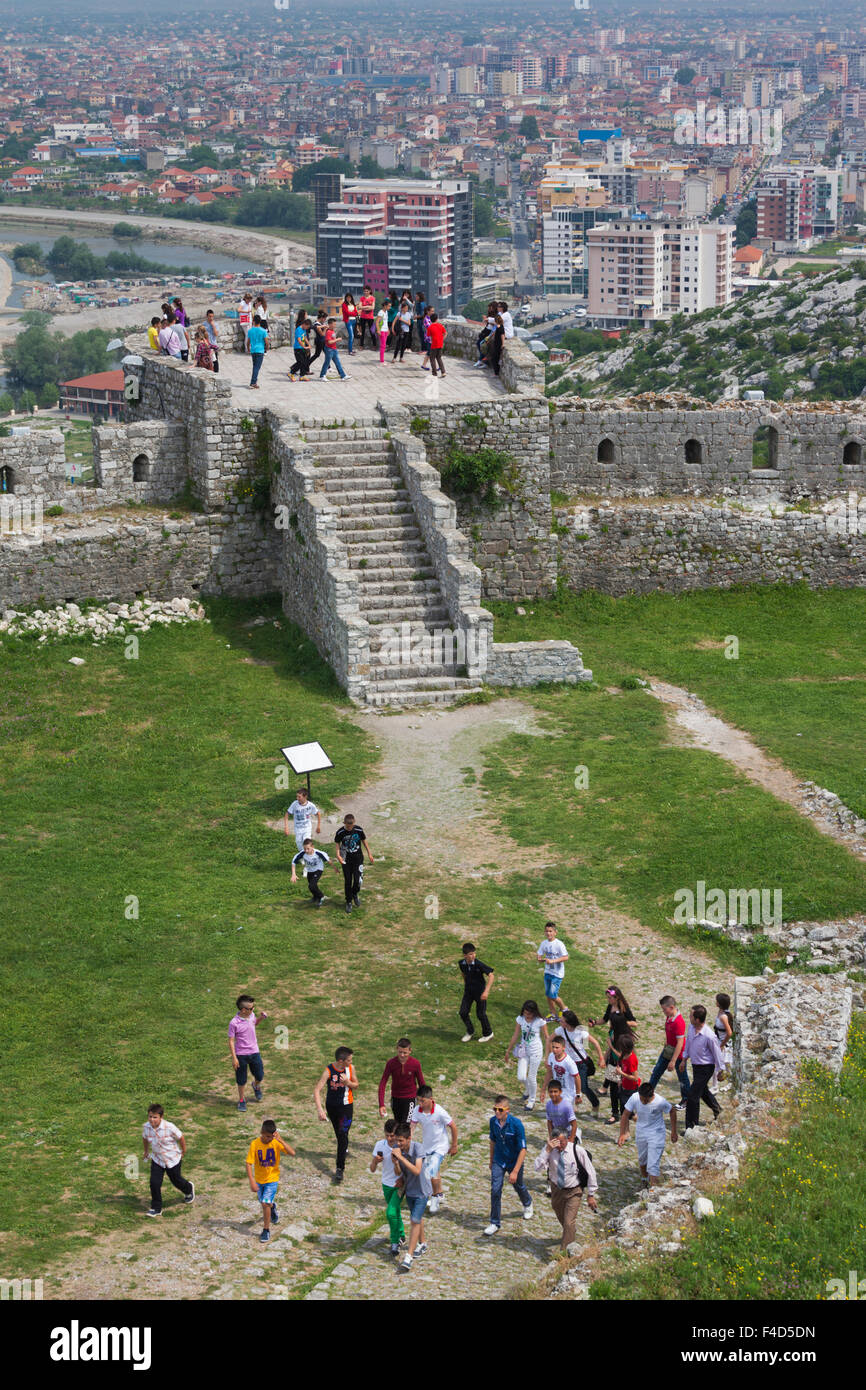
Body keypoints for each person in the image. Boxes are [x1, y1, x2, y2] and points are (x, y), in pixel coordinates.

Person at [534, 1128, 598, 1249]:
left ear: (567, 1139)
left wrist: (591, 1194)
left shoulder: (577, 1151)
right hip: (556, 1189)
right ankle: (570, 1233)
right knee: (562, 1218)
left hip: (574, 1191)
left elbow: (591, 1172)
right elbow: (537, 1168)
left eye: (562, 1143)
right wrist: (547, 1150)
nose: (559, 1147)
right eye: (556, 1143)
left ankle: (566, 1253)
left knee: (569, 1222)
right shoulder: (549, 1150)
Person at [484, 1095, 533, 1234]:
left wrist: (515, 1171)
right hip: (499, 1160)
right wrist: (491, 1159)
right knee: (495, 1189)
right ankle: (494, 1222)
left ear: (507, 1110)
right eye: (495, 1109)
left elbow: (523, 1149)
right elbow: (492, 1141)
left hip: (514, 1160)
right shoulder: (493, 1122)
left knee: (518, 1185)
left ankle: (527, 1202)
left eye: (500, 1109)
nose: (497, 1112)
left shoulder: (517, 1124)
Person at [619, 1081, 678, 1189]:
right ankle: (644, 1179)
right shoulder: (635, 1097)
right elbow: (625, 1114)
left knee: (652, 1164)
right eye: (642, 1099)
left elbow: (672, 1111)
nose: (644, 1101)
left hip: (657, 1133)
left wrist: (674, 1131)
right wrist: (622, 1133)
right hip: (641, 1132)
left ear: (652, 1094)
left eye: (646, 1099)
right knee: (642, 1160)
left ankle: (653, 1191)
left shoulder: (660, 1101)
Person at [410, 1084, 457, 1215]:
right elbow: (412, 1127)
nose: (420, 1103)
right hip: (427, 1146)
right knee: (431, 1171)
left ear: (431, 1099)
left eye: (422, 1101)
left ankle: (435, 1198)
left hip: (440, 1146)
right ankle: (440, 1194)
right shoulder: (416, 1111)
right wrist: (408, 1143)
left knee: (432, 1170)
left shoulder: (440, 1111)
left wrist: (454, 1145)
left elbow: (453, 1126)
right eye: (418, 1100)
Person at [246, 1119, 295, 1243]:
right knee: (264, 1202)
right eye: (267, 1136)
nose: (269, 1139)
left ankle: (266, 1230)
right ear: (261, 1132)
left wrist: (281, 1140)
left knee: (264, 1204)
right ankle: (272, 1208)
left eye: (271, 1137)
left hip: (272, 1179)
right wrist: (251, 1181)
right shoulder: (255, 1144)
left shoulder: (276, 1142)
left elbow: (292, 1153)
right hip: (259, 1180)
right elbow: (248, 1163)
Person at [314, 1045, 358, 1183]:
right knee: (340, 1135)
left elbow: (356, 1085)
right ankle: (343, 1149)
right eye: (349, 1060)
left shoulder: (351, 1069)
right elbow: (317, 1090)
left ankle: (340, 1169)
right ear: (340, 1061)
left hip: (346, 1106)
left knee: (343, 1134)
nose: (351, 1062)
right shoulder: (329, 1071)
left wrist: (348, 1082)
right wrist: (320, 1110)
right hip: (332, 1107)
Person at [142, 1103, 194, 1217]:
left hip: (172, 1159)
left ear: (161, 1116)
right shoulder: (146, 1127)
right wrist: (146, 1151)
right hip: (157, 1159)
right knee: (154, 1183)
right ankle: (156, 1208)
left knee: (176, 1180)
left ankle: (189, 1189)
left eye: (155, 1117)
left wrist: (183, 1151)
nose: (152, 1119)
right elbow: (145, 1138)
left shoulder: (169, 1127)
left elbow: (181, 1137)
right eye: (150, 1116)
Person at [392, 1122, 431, 1271]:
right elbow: (398, 1172)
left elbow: (417, 1170)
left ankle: (408, 1257)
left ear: (409, 1139)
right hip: (410, 1191)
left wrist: (401, 1158)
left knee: (414, 1219)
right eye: (397, 1140)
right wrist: (396, 1163)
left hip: (422, 1191)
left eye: (401, 1140)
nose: (398, 1143)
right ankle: (423, 1243)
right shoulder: (397, 1150)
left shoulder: (418, 1148)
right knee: (417, 1217)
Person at [592, 985, 637, 1111]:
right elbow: (605, 1019)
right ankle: (609, 1088)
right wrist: (595, 1023)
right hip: (614, 1036)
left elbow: (634, 1022)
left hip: (623, 1039)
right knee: (612, 1063)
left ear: (617, 997)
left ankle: (619, 1090)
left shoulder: (624, 1008)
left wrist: (622, 1023)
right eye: (607, 998)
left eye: (610, 998)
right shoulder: (610, 1007)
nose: (609, 1000)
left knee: (619, 1063)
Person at [555, 1010, 604, 1115]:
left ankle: (595, 1104)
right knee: (568, 1086)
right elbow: (550, 1039)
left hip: (581, 1063)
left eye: (562, 1021)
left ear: (568, 1023)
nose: (560, 1022)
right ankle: (571, 1107)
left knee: (583, 1088)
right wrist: (550, 1056)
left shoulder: (580, 1031)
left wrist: (601, 1057)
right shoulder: (561, 1030)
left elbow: (595, 1043)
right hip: (568, 1063)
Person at [682, 1005, 724, 1130]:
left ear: (698, 1019)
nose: (689, 1017)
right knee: (702, 1091)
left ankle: (692, 1126)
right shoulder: (691, 1028)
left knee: (692, 1095)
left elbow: (717, 1052)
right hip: (696, 1066)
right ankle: (718, 1110)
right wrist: (684, 1059)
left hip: (706, 1068)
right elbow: (688, 1044)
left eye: (691, 1016)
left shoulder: (709, 1035)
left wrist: (721, 1070)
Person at [505, 1000, 549, 1110]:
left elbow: (547, 1038)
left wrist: (548, 1055)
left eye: (529, 1014)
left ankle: (532, 1100)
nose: (526, 1016)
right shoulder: (520, 1019)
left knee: (531, 1077)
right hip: (524, 1050)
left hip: (536, 1051)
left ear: (534, 1012)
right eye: (525, 1013)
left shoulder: (540, 1021)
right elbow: (515, 1035)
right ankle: (528, 1089)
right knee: (521, 1076)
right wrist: (508, 1050)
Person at [647, 995, 690, 1108]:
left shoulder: (679, 1022)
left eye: (664, 1009)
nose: (663, 1012)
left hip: (677, 1054)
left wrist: (673, 1061)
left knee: (682, 1077)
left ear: (671, 1007)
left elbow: (680, 1042)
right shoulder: (669, 1017)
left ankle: (686, 1099)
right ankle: (647, 1094)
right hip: (668, 1050)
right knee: (656, 1071)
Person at [370, 1118, 405, 1254]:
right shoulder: (380, 1145)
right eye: (387, 1135)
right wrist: (375, 1161)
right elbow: (372, 1169)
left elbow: (404, 1170)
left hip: (400, 1185)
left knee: (390, 1213)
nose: (390, 1138)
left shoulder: (402, 1148)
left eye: (393, 1136)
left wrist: (397, 1165)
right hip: (386, 1185)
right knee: (395, 1211)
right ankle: (401, 1234)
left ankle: (394, 1242)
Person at [229, 993, 268, 1112]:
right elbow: (231, 1041)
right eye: (251, 1008)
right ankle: (241, 1100)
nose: (253, 1009)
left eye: (253, 1007)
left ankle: (256, 1085)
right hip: (241, 1055)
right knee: (241, 1080)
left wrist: (261, 1018)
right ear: (243, 1010)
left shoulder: (251, 1016)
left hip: (254, 1052)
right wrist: (234, 1058)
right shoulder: (234, 1023)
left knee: (260, 1075)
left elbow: (253, 1023)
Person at [334, 813, 374, 914]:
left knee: (358, 880)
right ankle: (348, 902)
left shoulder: (359, 830)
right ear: (344, 823)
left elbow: (364, 842)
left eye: (351, 825)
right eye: (347, 825)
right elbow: (337, 844)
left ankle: (355, 894)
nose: (349, 827)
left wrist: (369, 854)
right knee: (348, 881)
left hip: (358, 859)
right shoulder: (340, 832)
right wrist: (338, 855)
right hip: (345, 859)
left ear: (354, 823)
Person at [378, 1038, 425, 1124]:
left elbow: (421, 1083)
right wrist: (381, 1104)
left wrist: (425, 1099)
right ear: (397, 1049)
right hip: (395, 1099)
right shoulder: (391, 1063)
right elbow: (383, 1083)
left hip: (410, 1099)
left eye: (405, 1052)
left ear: (410, 1051)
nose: (402, 1055)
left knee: (405, 1126)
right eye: (400, 1052)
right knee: (398, 1124)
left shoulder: (415, 1064)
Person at [458, 941, 494, 1042]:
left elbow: (491, 975)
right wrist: (466, 983)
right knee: (463, 1012)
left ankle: (488, 1033)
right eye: (470, 954)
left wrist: (486, 991)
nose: (473, 955)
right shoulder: (462, 963)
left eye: (474, 953)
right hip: (468, 992)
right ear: (465, 955)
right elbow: (463, 974)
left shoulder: (479, 964)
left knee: (481, 1014)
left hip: (480, 993)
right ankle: (470, 1031)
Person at [536, 920, 569, 1021]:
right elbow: (539, 954)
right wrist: (540, 958)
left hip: (557, 974)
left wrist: (553, 961)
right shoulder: (544, 943)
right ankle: (553, 1014)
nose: (548, 933)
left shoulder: (559, 944)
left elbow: (566, 957)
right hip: (548, 972)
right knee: (548, 994)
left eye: (550, 931)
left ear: (555, 932)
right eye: (546, 931)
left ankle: (564, 1009)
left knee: (553, 995)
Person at [290, 838, 331, 907]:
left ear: (312, 847)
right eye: (305, 849)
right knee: (311, 886)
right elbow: (293, 862)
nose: (306, 850)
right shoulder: (302, 853)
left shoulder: (317, 853)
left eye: (308, 849)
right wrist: (293, 874)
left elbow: (328, 859)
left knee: (312, 885)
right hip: (310, 870)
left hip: (318, 869)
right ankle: (315, 897)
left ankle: (321, 897)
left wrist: (335, 868)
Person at [544, 1034, 581, 1108]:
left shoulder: (569, 1062)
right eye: (553, 1047)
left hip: (568, 1092)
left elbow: (577, 1078)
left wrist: (578, 1095)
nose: (554, 1049)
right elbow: (549, 1072)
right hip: (557, 1090)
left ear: (563, 1048)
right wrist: (543, 1089)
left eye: (557, 1047)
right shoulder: (551, 1056)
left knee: (562, 1111)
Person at [613, 1033, 640, 1125]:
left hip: (631, 1089)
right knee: (624, 1112)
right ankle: (625, 1133)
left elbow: (635, 1078)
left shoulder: (631, 1060)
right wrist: (621, 1079)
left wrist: (621, 1073)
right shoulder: (624, 1055)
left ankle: (644, 1123)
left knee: (628, 1113)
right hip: (624, 1087)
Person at [284, 787, 321, 853]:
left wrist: (318, 826)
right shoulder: (294, 804)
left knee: (306, 842)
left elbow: (318, 814)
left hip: (307, 828)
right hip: (298, 829)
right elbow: (287, 814)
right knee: (299, 844)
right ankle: (302, 856)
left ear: (305, 796)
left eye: (299, 797)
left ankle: (311, 855)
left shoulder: (310, 805)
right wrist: (286, 828)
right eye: (297, 796)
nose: (297, 798)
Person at [544, 1078, 578, 1143]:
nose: (553, 1094)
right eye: (551, 1092)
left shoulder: (566, 1105)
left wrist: (571, 1140)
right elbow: (549, 1122)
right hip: (557, 1135)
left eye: (555, 1091)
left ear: (560, 1092)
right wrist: (551, 1137)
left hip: (568, 1135)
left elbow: (574, 1124)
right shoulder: (548, 1105)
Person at [714, 992, 734, 1081]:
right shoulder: (721, 1012)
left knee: (722, 1064)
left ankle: (716, 1085)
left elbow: (729, 1033)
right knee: (724, 1064)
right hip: (719, 1040)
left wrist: (722, 1044)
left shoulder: (723, 1017)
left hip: (723, 1043)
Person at [247, 313, 267, 388]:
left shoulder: (250, 331)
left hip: (253, 350)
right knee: (256, 367)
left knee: (255, 366)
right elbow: (266, 341)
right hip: (260, 350)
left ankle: (254, 381)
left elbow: (248, 342)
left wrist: (248, 348)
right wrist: (266, 348)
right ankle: (253, 382)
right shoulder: (263, 331)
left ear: (254, 321)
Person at [290, 311, 311, 381]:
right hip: (298, 348)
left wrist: (308, 344)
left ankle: (302, 376)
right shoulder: (299, 329)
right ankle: (291, 373)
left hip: (302, 348)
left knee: (304, 362)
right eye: (306, 327)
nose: (306, 329)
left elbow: (304, 338)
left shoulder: (304, 329)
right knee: (300, 362)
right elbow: (299, 340)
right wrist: (304, 347)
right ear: (304, 324)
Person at [426, 310, 447, 377]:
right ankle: (443, 372)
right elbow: (445, 333)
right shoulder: (440, 325)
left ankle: (434, 373)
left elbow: (429, 335)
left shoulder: (430, 327)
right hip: (440, 344)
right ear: (437, 319)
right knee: (439, 358)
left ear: (431, 320)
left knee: (432, 358)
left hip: (434, 345)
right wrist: (442, 339)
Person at [204, 309, 220, 373]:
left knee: (215, 360)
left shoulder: (215, 324)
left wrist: (213, 326)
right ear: (207, 316)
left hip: (213, 345)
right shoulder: (204, 324)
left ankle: (216, 373)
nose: (211, 318)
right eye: (210, 316)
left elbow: (216, 334)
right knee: (207, 360)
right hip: (206, 345)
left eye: (212, 316)